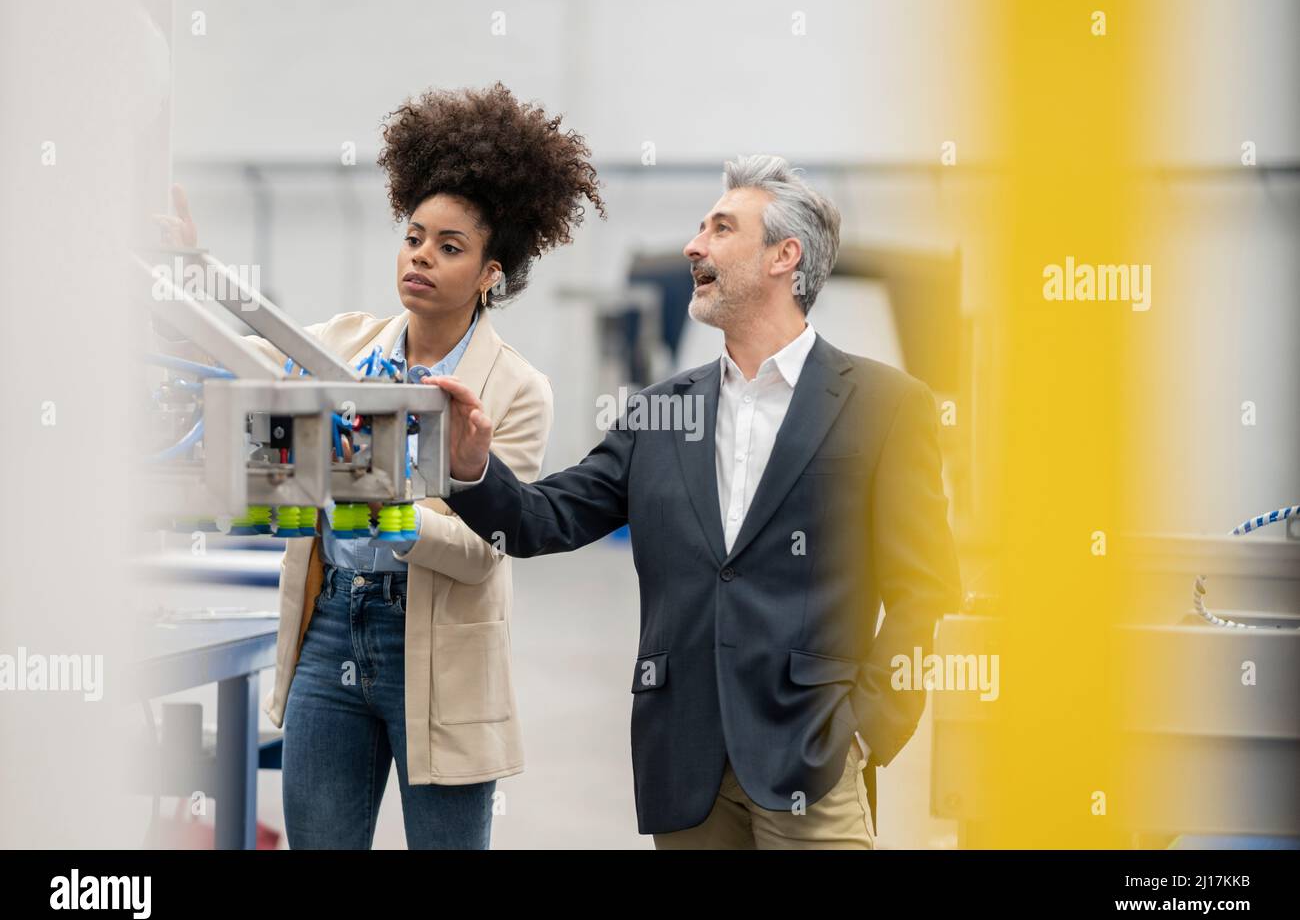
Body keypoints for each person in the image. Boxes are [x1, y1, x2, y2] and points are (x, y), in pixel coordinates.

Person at [428, 154, 963, 849]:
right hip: (686, 766)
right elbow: (542, 520)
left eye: (719, 228)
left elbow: (924, 590)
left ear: (784, 256)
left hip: (814, 763)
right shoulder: (658, 414)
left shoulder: (885, 407)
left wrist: (869, 730)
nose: (693, 245)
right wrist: (473, 469)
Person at [157, 82, 605, 848]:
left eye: (450, 247)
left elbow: (485, 548)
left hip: (438, 646)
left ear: (492, 273)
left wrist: (376, 505)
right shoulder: (342, 345)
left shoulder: (516, 390)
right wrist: (183, 267)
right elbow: (226, 357)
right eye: (414, 236)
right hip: (331, 623)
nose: (422, 256)